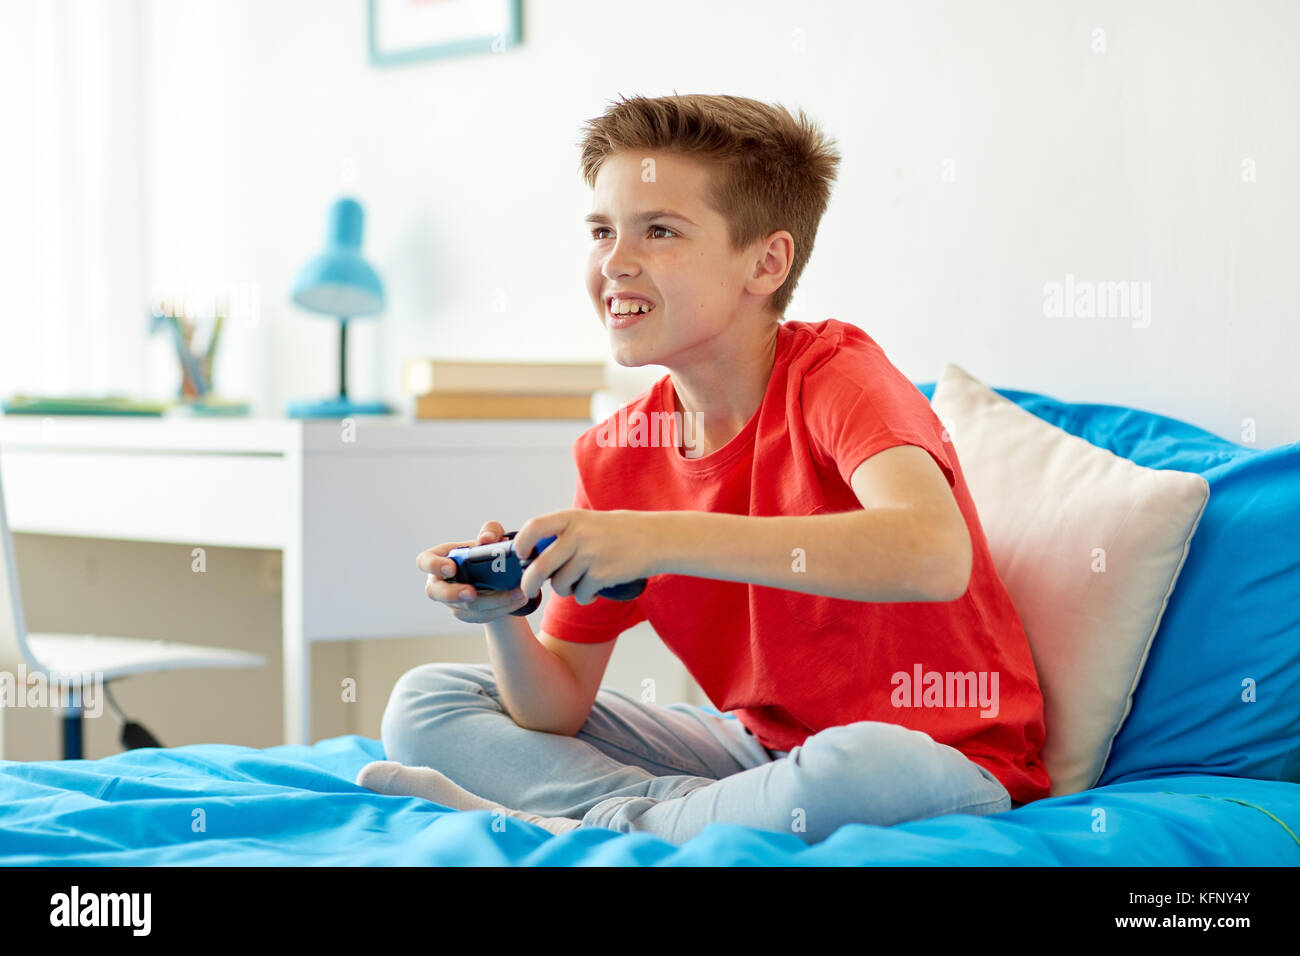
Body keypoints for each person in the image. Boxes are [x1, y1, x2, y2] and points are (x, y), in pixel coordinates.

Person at [357, 92, 1050, 845]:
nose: (615, 262)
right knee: (425, 702)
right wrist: (501, 618)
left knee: (865, 764)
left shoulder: (835, 376)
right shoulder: (618, 451)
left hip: (941, 758)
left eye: (659, 231)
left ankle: (595, 820)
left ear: (766, 262)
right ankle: (670, 820)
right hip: (756, 757)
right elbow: (554, 708)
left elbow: (932, 554)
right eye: (601, 231)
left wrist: (659, 539)